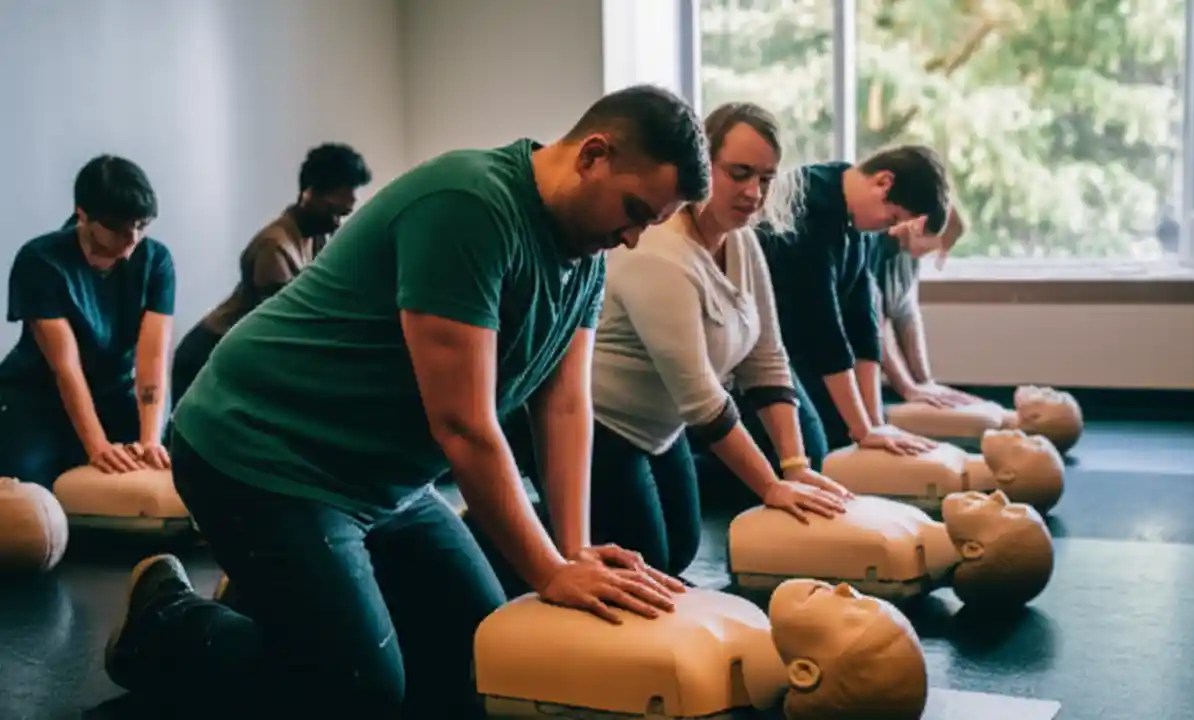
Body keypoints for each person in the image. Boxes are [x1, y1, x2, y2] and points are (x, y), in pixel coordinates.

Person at [102, 84, 711, 720]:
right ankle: (166, 618)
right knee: (361, 688)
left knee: (476, 651)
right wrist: (550, 574)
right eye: (636, 211)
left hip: (385, 482)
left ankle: (279, 596)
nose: (635, 238)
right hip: (263, 452)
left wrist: (573, 549)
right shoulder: (469, 206)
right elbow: (464, 426)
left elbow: (563, 405)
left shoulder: (586, 255)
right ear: (593, 154)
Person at [582, 102, 849, 579]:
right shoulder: (660, 253)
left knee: (680, 550)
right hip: (603, 428)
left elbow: (767, 359)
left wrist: (795, 465)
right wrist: (770, 486)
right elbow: (702, 399)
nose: (753, 193)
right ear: (703, 166)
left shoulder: (741, 240)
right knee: (650, 563)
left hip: (662, 430)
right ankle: (509, 527)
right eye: (740, 173)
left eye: (765, 179)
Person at [755, 145, 953, 462]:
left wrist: (875, 424)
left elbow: (863, 324)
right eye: (892, 217)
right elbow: (824, 329)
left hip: (796, 350)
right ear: (883, 182)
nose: (889, 228)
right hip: (754, 355)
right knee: (816, 449)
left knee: (841, 433)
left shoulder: (857, 222)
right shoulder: (809, 204)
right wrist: (862, 428)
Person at [0, 155, 175, 488]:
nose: (132, 238)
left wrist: (151, 439)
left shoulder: (157, 260)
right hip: (38, 396)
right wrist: (97, 446)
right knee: (25, 479)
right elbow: (65, 366)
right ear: (83, 215)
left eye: (141, 225)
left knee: (168, 458)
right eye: (119, 229)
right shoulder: (40, 260)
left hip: (114, 392)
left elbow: (152, 358)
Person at [169, 143, 371, 410]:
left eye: (344, 214)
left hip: (239, 353)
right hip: (207, 353)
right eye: (333, 211)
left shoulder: (319, 236)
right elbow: (284, 330)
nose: (338, 222)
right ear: (308, 193)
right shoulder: (274, 246)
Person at [868, 206, 981, 408]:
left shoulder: (909, 257)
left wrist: (926, 383)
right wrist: (908, 388)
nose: (931, 253)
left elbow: (908, 316)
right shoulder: (876, 244)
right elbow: (876, 325)